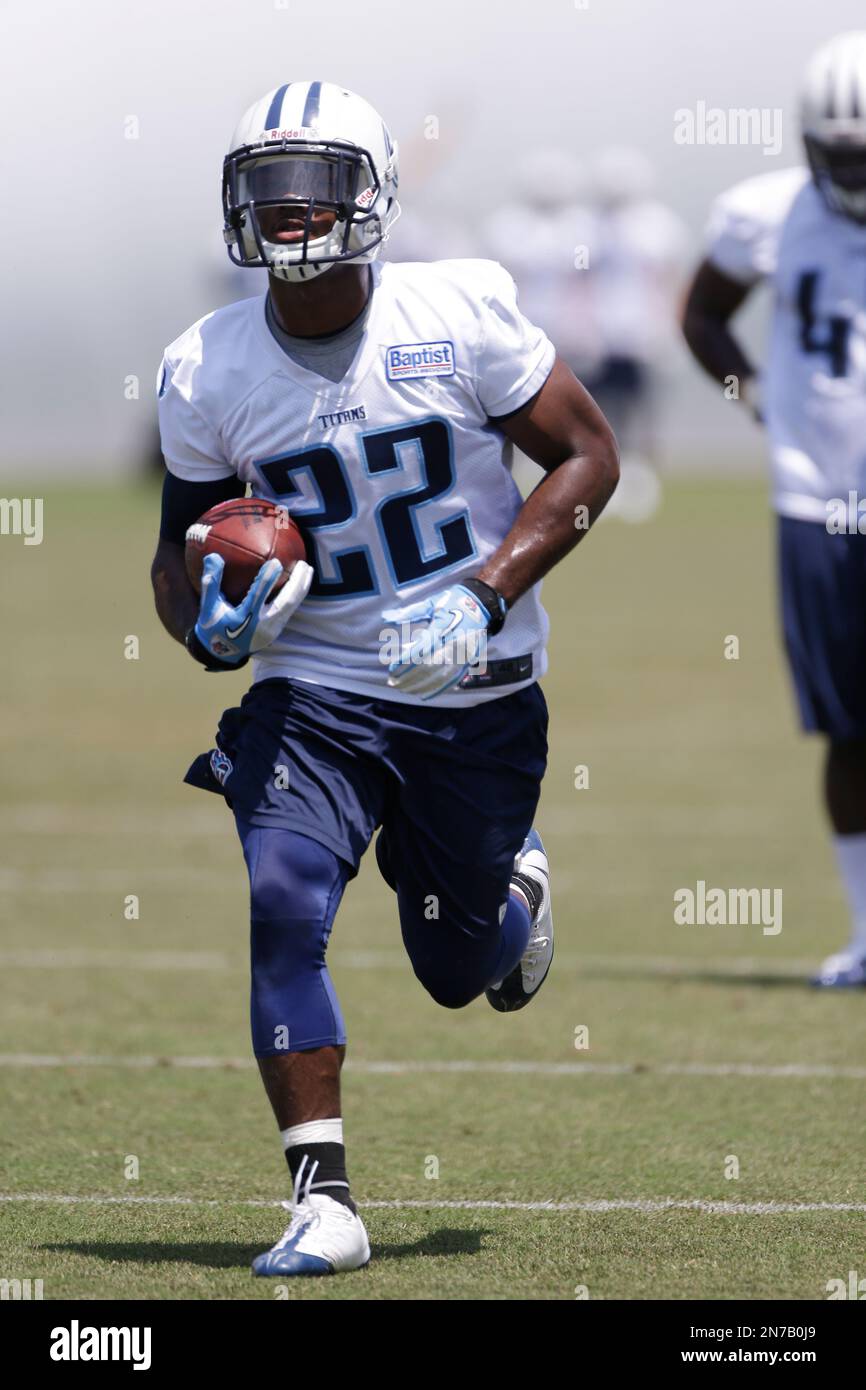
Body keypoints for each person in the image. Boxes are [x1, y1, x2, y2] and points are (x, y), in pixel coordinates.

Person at [151, 80, 618, 1276]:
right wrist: (206, 626)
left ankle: (511, 895)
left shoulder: (459, 310)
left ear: (370, 196)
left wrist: (483, 592)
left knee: (459, 971)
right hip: (313, 697)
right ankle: (324, 1203)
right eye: (265, 191)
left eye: (311, 190)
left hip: (474, 696)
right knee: (282, 900)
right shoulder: (206, 365)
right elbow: (180, 550)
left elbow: (584, 456)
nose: (289, 216)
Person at [682, 33, 866, 988]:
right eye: (846, 156)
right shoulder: (765, 217)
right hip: (818, 498)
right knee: (849, 728)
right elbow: (701, 316)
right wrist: (750, 397)